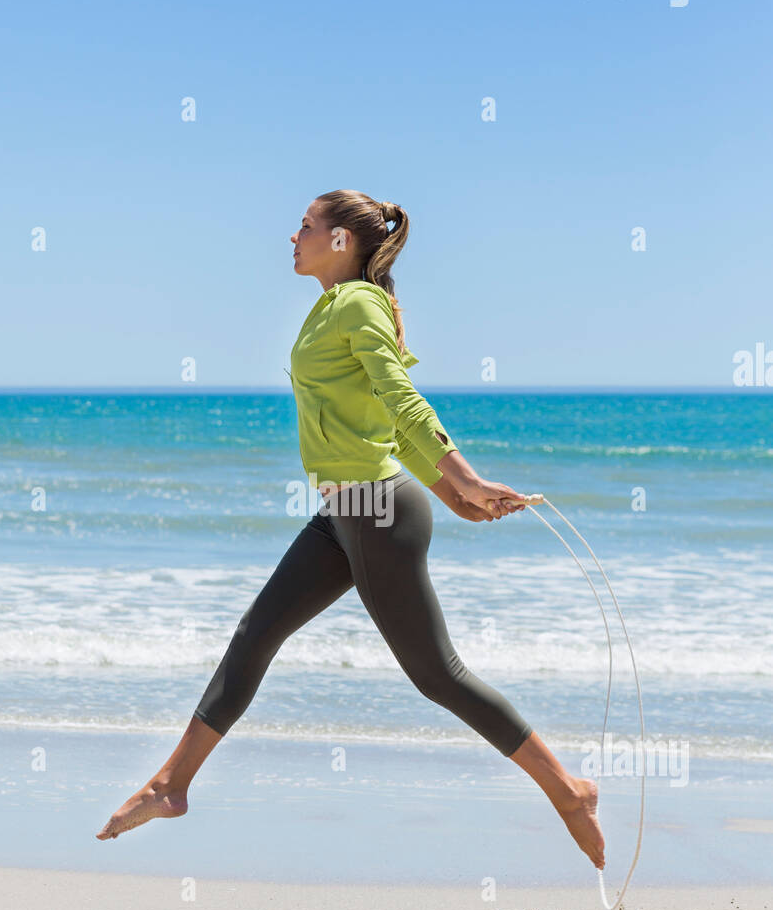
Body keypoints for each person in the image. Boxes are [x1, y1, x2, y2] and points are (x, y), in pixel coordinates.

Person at [97, 189, 604, 871]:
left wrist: (465, 477)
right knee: (255, 635)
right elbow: (382, 420)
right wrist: (451, 493)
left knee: (437, 675)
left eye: (307, 226)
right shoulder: (332, 308)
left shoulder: (359, 305)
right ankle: (171, 784)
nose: (293, 236)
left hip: (376, 510)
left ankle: (567, 789)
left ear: (341, 241)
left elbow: (401, 399)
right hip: (345, 511)